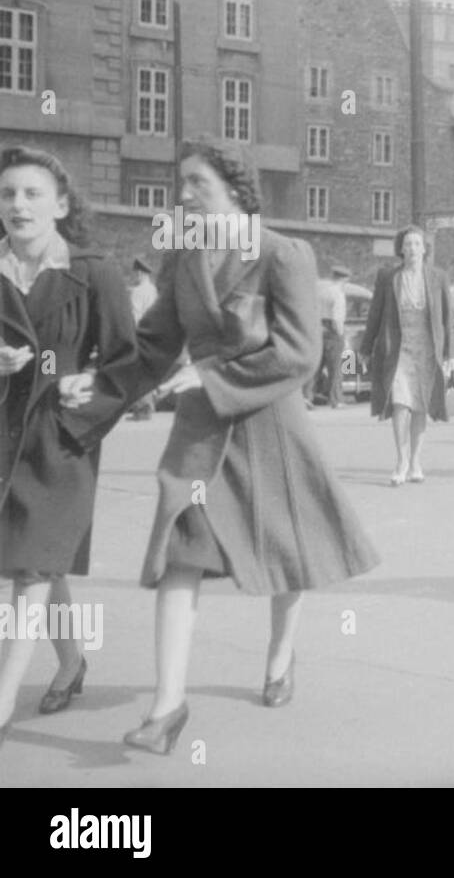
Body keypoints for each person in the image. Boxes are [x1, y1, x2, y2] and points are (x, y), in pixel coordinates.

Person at [59, 137, 381, 754]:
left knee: (289, 548)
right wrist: (100, 383)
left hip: (268, 420)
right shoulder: (184, 257)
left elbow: (299, 354)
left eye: (195, 183)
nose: (182, 195)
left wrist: (208, 377)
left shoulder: (284, 254)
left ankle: (281, 654)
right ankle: (166, 707)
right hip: (201, 431)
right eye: (180, 184)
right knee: (181, 552)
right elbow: (153, 346)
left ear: (235, 189)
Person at [0, 146, 138, 748]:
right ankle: (71, 661)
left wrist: (91, 383)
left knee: (30, 563)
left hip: (62, 438)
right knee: (41, 557)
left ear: (60, 205)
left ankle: (3, 692)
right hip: (6, 435)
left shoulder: (95, 272)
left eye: (31, 193)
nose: (17, 205)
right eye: (7, 194)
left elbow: (127, 363)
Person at [360, 225, 454, 485]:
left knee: (421, 405)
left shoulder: (438, 277)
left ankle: (416, 461)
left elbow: (446, 319)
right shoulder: (388, 277)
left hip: (426, 349)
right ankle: (400, 461)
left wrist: (450, 354)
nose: (412, 248)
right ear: (401, 249)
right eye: (408, 244)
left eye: (417, 244)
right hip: (398, 349)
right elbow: (375, 315)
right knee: (400, 403)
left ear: (425, 249)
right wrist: (366, 348)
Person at [304, 264, 349, 410]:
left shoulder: (320, 291)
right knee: (335, 368)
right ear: (344, 279)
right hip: (332, 330)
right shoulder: (338, 294)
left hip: (317, 328)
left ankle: (306, 397)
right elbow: (337, 318)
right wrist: (341, 334)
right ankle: (336, 399)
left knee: (316, 367)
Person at [128, 257, 159, 420]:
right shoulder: (153, 290)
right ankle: (149, 405)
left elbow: (134, 315)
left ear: (140, 273)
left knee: (137, 370)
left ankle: (142, 408)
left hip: (139, 334)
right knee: (148, 370)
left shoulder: (137, 291)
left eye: (136, 273)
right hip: (153, 333)